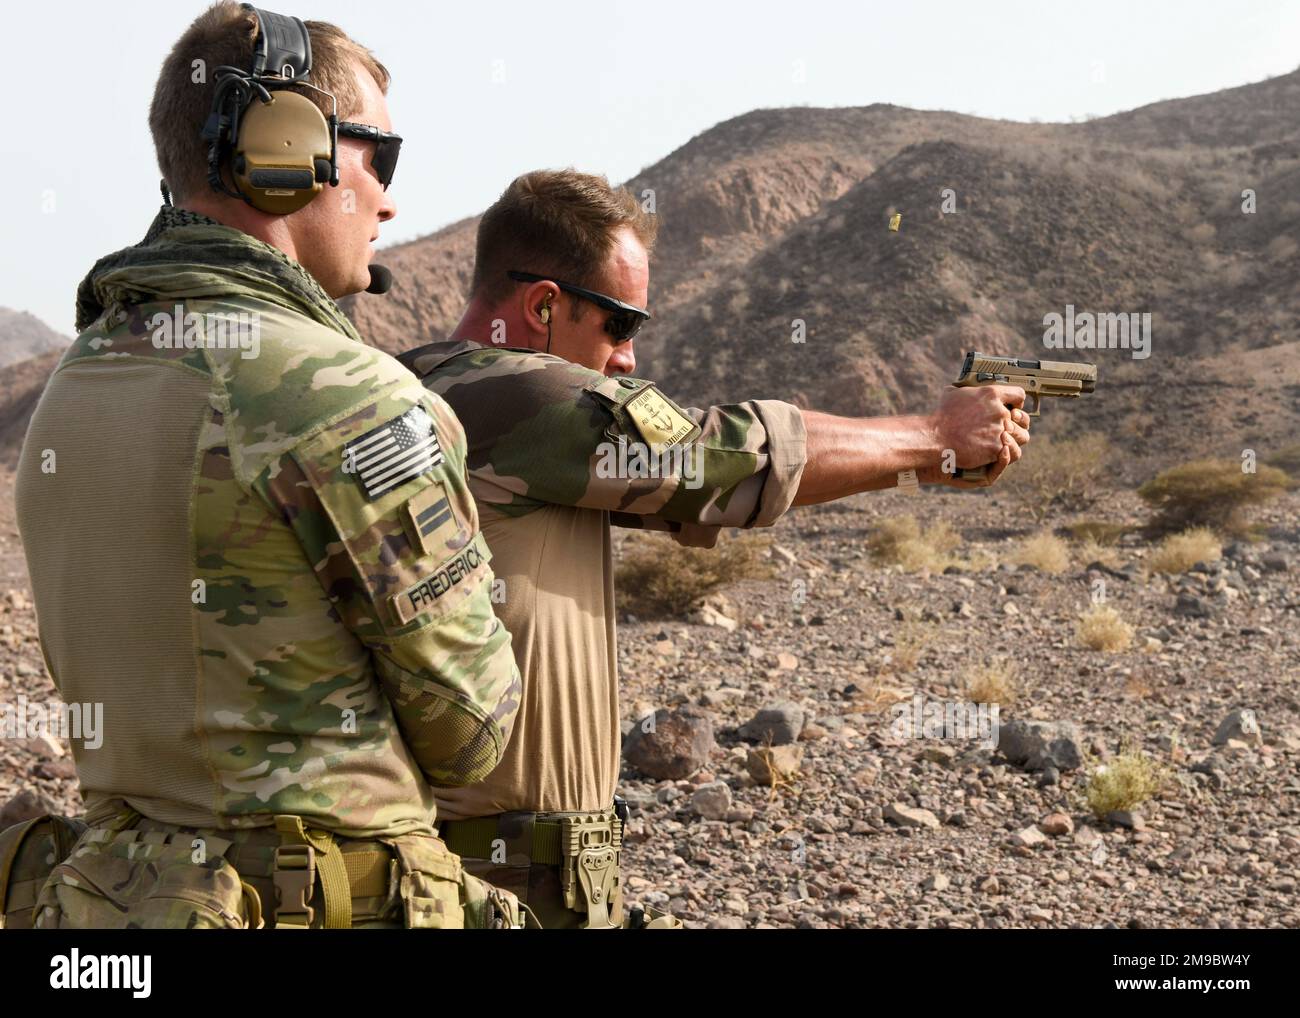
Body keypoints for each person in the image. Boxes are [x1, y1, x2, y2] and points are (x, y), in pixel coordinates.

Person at [397, 169, 1031, 928]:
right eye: (619, 325)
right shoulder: (509, 394)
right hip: (497, 884)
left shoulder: (428, 389)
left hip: (497, 874)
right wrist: (934, 436)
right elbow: (720, 459)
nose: (628, 357)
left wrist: (919, 461)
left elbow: (709, 489)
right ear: (543, 305)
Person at [11, 2, 522, 929]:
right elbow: (471, 730)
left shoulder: (75, 386)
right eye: (379, 158)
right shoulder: (349, 397)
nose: (390, 199)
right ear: (287, 150)